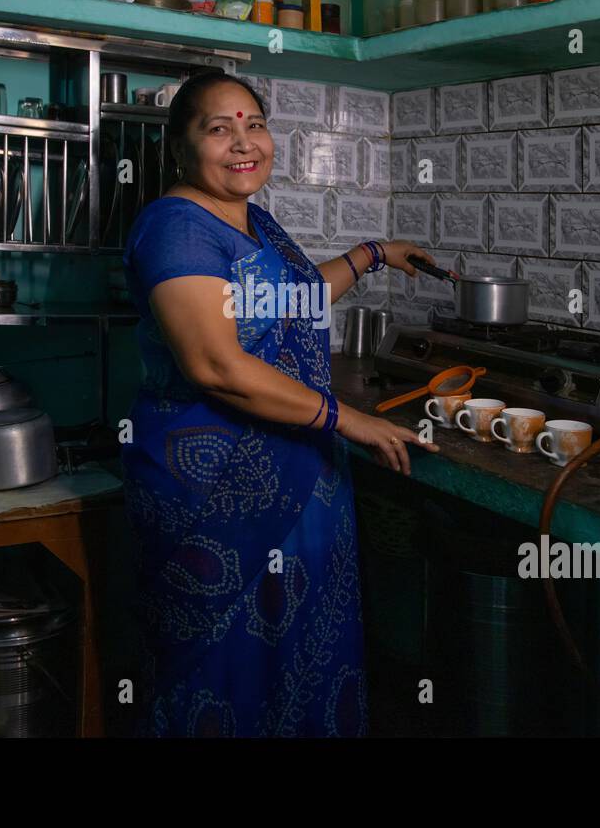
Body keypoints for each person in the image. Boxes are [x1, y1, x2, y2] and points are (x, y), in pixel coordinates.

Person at [120, 70, 439, 736]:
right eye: (218, 127)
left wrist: (372, 252)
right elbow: (216, 364)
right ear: (181, 148)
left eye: (254, 124)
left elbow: (294, 299)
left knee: (302, 668)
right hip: (213, 503)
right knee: (225, 674)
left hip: (301, 485)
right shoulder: (174, 229)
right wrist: (347, 418)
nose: (243, 142)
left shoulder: (253, 222)